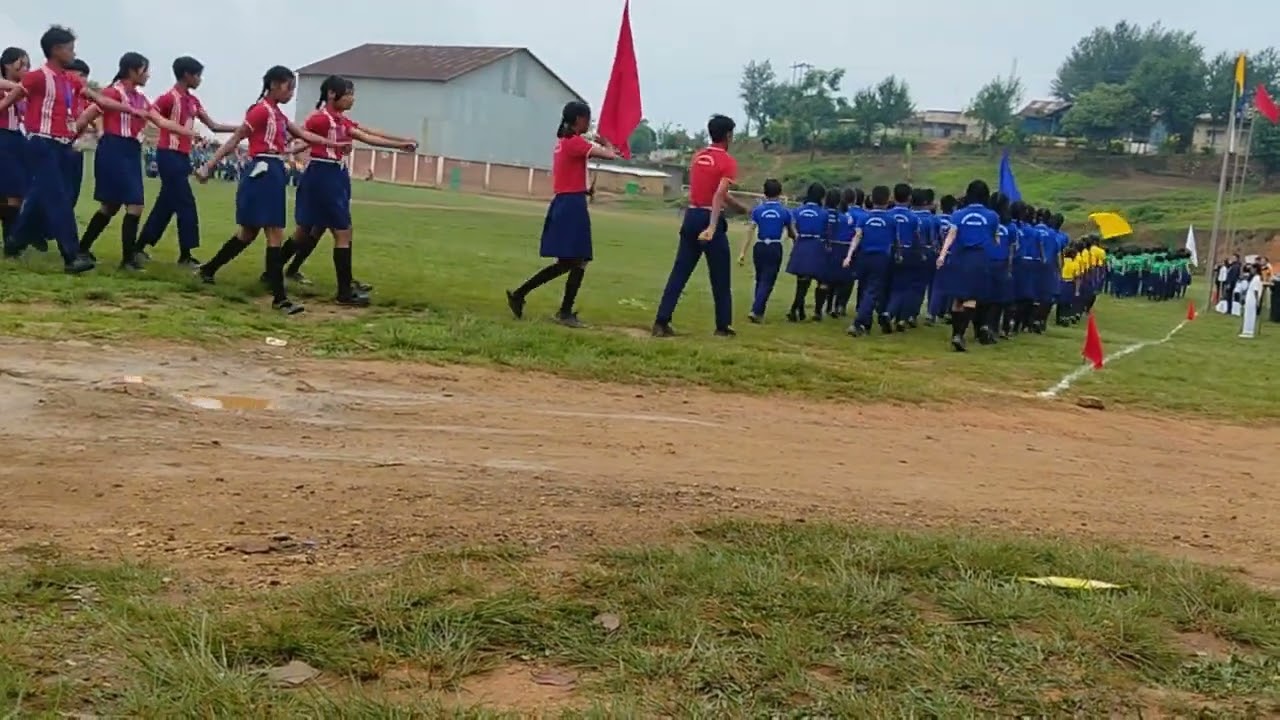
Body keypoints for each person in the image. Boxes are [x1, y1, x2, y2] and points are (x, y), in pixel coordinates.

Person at [195, 65, 348, 315]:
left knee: (248, 232)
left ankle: (208, 269)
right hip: (263, 170)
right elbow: (236, 139)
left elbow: (305, 135)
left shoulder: (278, 115)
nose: (291, 93)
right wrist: (209, 165)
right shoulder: (260, 112)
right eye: (289, 87)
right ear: (275, 85)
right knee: (273, 233)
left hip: (275, 170)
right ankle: (279, 298)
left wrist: (335, 143)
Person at [0, 26, 147, 272]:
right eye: (69, 48)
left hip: (62, 145)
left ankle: (14, 242)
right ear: (56, 50)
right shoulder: (37, 77)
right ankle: (72, 256)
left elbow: (99, 99)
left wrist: (131, 110)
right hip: (40, 142)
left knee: (39, 197)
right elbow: (11, 98)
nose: (73, 52)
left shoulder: (69, 79)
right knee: (59, 198)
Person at [279, 75, 417, 307]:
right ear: (333, 94)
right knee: (342, 232)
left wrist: (402, 141)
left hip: (334, 175)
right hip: (324, 175)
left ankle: (273, 271)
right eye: (349, 94)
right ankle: (344, 291)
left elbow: (368, 132)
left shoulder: (339, 120)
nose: (353, 99)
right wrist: (286, 149)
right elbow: (300, 136)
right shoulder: (321, 119)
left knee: (306, 230)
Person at [74, 52, 197, 270]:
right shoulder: (113, 92)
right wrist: (71, 138)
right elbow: (87, 115)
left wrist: (188, 133)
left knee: (112, 206)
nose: (148, 75)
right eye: (145, 70)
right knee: (131, 205)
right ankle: (126, 259)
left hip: (131, 150)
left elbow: (160, 121)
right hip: (113, 147)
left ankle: (85, 248)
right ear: (133, 70)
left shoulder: (140, 99)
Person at [506, 101, 617, 326]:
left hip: (567, 201)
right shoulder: (574, 143)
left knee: (573, 261)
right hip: (572, 205)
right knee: (576, 260)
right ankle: (554, 308)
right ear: (578, 120)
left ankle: (528, 297)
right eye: (587, 118)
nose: (589, 123)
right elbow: (611, 155)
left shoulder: (564, 143)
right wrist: (606, 142)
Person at [137, 56, 237, 267]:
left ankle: (139, 247)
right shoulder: (168, 98)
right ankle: (185, 255)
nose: (200, 80)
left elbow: (214, 126)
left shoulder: (193, 101)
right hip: (168, 154)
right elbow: (151, 114)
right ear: (186, 75)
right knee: (186, 204)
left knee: (166, 205)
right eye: (198, 75)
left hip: (182, 157)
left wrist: (241, 129)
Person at [652, 114, 743, 338]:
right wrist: (712, 226)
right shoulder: (727, 162)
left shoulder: (698, 157)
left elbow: (715, 193)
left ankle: (661, 321)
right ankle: (723, 326)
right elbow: (719, 193)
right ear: (729, 135)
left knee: (679, 273)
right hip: (709, 219)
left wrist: (740, 207)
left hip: (691, 215)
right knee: (720, 277)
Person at [935, 180, 999, 352]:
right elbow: (995, 238)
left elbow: (951, 235)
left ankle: (955, 333)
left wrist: (942, 255)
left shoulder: (959, 214)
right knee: (972, 297)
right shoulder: (992, 216)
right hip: (980, 258)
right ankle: (960, 335)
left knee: (958, 297)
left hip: (959, 257)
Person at [841, 185, 895, 337]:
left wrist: (849, 256)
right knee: (872, 290)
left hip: (863, 256)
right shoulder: (891, 220)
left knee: (863, 288)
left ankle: (866, 322)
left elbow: (856, 237)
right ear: (888, 200)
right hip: (881, 258)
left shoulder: (864, 217)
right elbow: (895, 241)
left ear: (871, 199)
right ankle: (858, 323)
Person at [738, 179, 793, 323]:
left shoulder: (758, 210)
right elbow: (792, 232)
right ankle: (756, 310)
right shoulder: (785, 212)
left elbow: (750, 231)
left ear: (764, 193)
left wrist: (743, 252)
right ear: (780, 193)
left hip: (759, 246)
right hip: (774, 247)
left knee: (760, 278)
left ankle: (758, 311)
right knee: (768, 281)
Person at [784, 183, 828, 322]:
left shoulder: (797, 211)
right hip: (816, 246)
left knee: (801, 280)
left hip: (800, 244)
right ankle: (801, 310)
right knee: (816, 280)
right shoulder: (823, 213)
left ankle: (798, 310)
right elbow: (826, 232)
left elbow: (791, 230)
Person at [0, 47, 29, 245]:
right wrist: (14, 95)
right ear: (8, 65)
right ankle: (11, 241)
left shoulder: (20, 88)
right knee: (12, 192)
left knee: (15, 191)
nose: (25, 69)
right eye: (22, 64)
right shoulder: (7, 87)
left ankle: (12, 239)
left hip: (17, 138)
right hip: (3, 137)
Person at [885, 183, 921, 332]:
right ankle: (896, 316)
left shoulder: (888, 214)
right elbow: (917, 238)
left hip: (887, 253)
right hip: (906, 253)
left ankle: (887, 311)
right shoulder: (913, 218)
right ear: (909, 198)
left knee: (888, 285)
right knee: (903, 287)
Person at [925, 194, 956, 325]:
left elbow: (934, 238)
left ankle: (932, 312)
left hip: (937, 254)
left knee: (935, 284)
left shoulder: (936, 219)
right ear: (954, 207)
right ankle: (948, 311)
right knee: (951, 284)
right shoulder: (955, 221)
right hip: (951, 254)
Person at [1240, 264, 1263, 338]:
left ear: (1256, 269)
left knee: (1250, 314)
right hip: (1249, 297)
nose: (1251, 270)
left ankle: (1249, 331)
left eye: (1252, 269)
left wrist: (1257, 301)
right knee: (1247, 314)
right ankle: (1246, 330)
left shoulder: (1257, 278)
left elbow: (1256, 290)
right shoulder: (1254, 278)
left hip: (1252, 298)